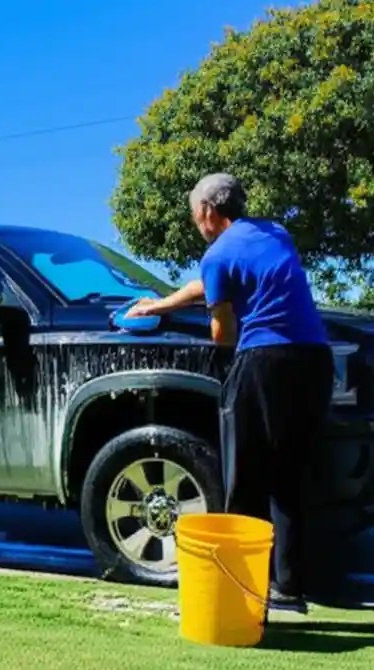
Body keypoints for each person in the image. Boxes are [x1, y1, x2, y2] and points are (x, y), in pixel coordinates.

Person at [127, 172, 333, 613]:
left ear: (207, 212)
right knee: (290, 476)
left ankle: (240, 591)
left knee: (246, 475)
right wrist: (162, 303)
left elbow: (222, 332)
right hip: (315, 360)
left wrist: (223, 346)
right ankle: (290, 589)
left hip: (267, 363)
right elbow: (217, 281)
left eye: (193, 215)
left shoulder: (216, 254)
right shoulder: (275, 232)